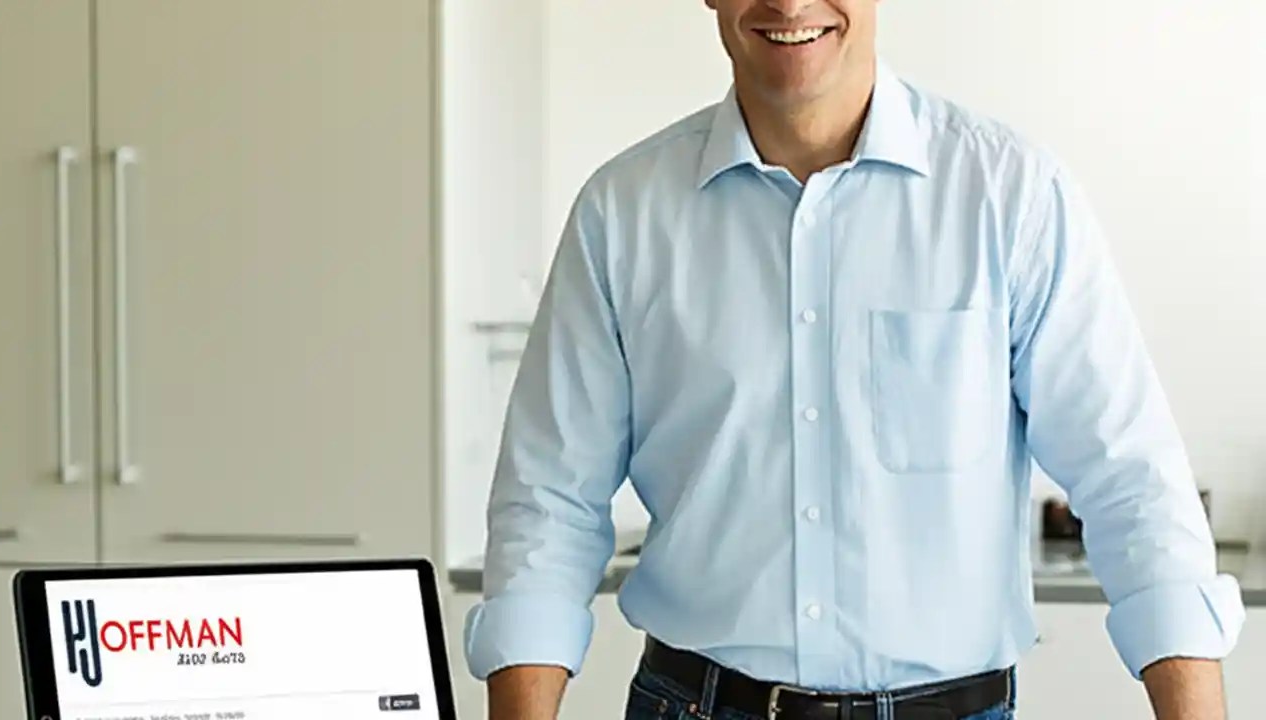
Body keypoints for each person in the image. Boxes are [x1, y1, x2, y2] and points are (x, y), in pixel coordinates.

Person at [462, 1, 1246, 718]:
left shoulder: (1011, 197)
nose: (789, 3)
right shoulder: (621, 213)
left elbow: (1130, 480)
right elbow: (549, 502)